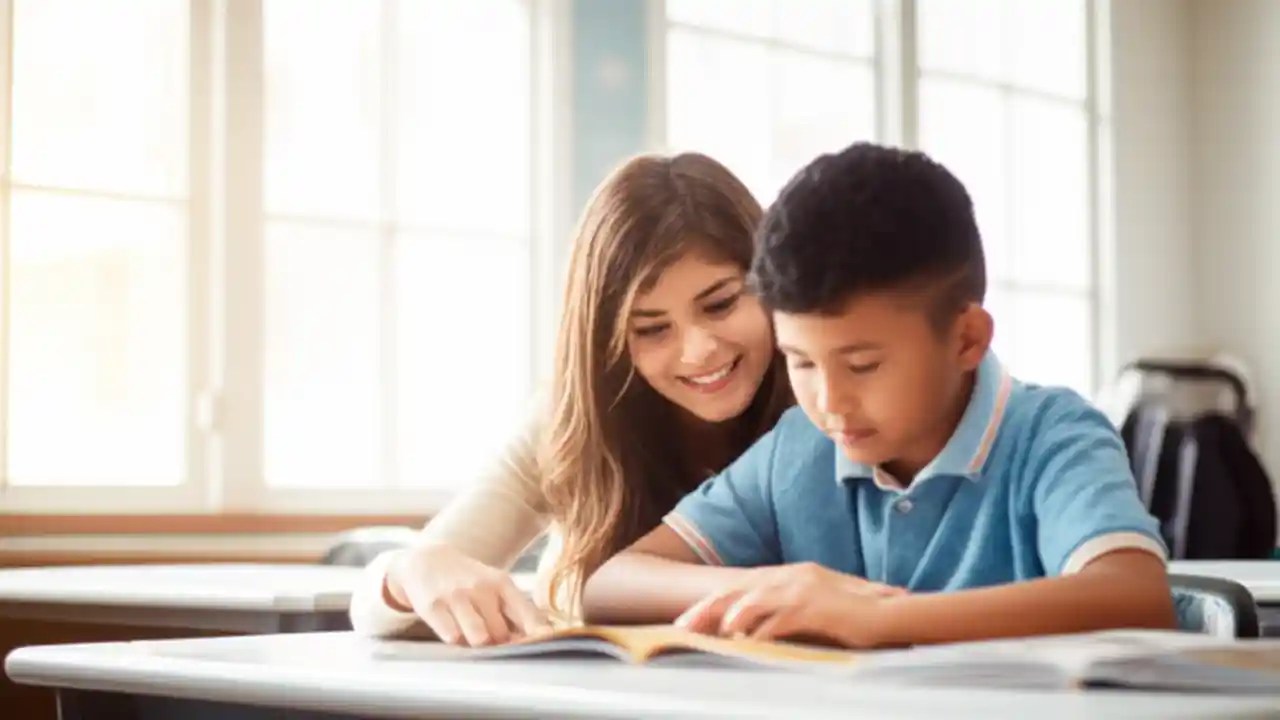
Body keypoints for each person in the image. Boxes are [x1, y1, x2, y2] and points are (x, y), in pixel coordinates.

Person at [583, 142, 1175, 647]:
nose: (830, 401)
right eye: (801, 361)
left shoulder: (1053, 436)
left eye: (862, 365)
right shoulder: (797, 449)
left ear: (966, 338)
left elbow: (1134, 598)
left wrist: (878, 618)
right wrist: (777, 590)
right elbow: (612, 585)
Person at [348, 152, 794, 645]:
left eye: (721, 304)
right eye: (651, 329)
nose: (698, 351)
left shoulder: (827, 411)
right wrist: (410, 570)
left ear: (772, 283)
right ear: (607, 341)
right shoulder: (576, 423)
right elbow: (379, 605)